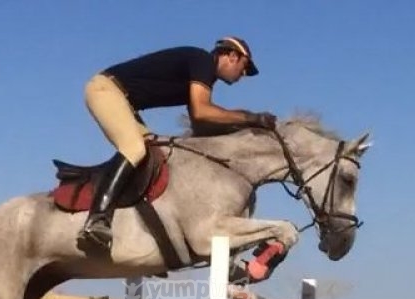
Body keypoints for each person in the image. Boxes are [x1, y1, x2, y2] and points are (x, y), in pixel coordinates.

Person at [78, 36, 277, 249]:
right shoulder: (202, 61)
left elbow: (200, 125)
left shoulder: (202, 74)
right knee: (135, 148)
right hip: (105, 90)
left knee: (155, 153)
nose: (243, 75)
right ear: (232, 56)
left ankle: (142, 234)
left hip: (122, 100)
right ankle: (97, 219)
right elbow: (202, 112)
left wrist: (242, 133)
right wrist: (250, 118)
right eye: (245, 67)